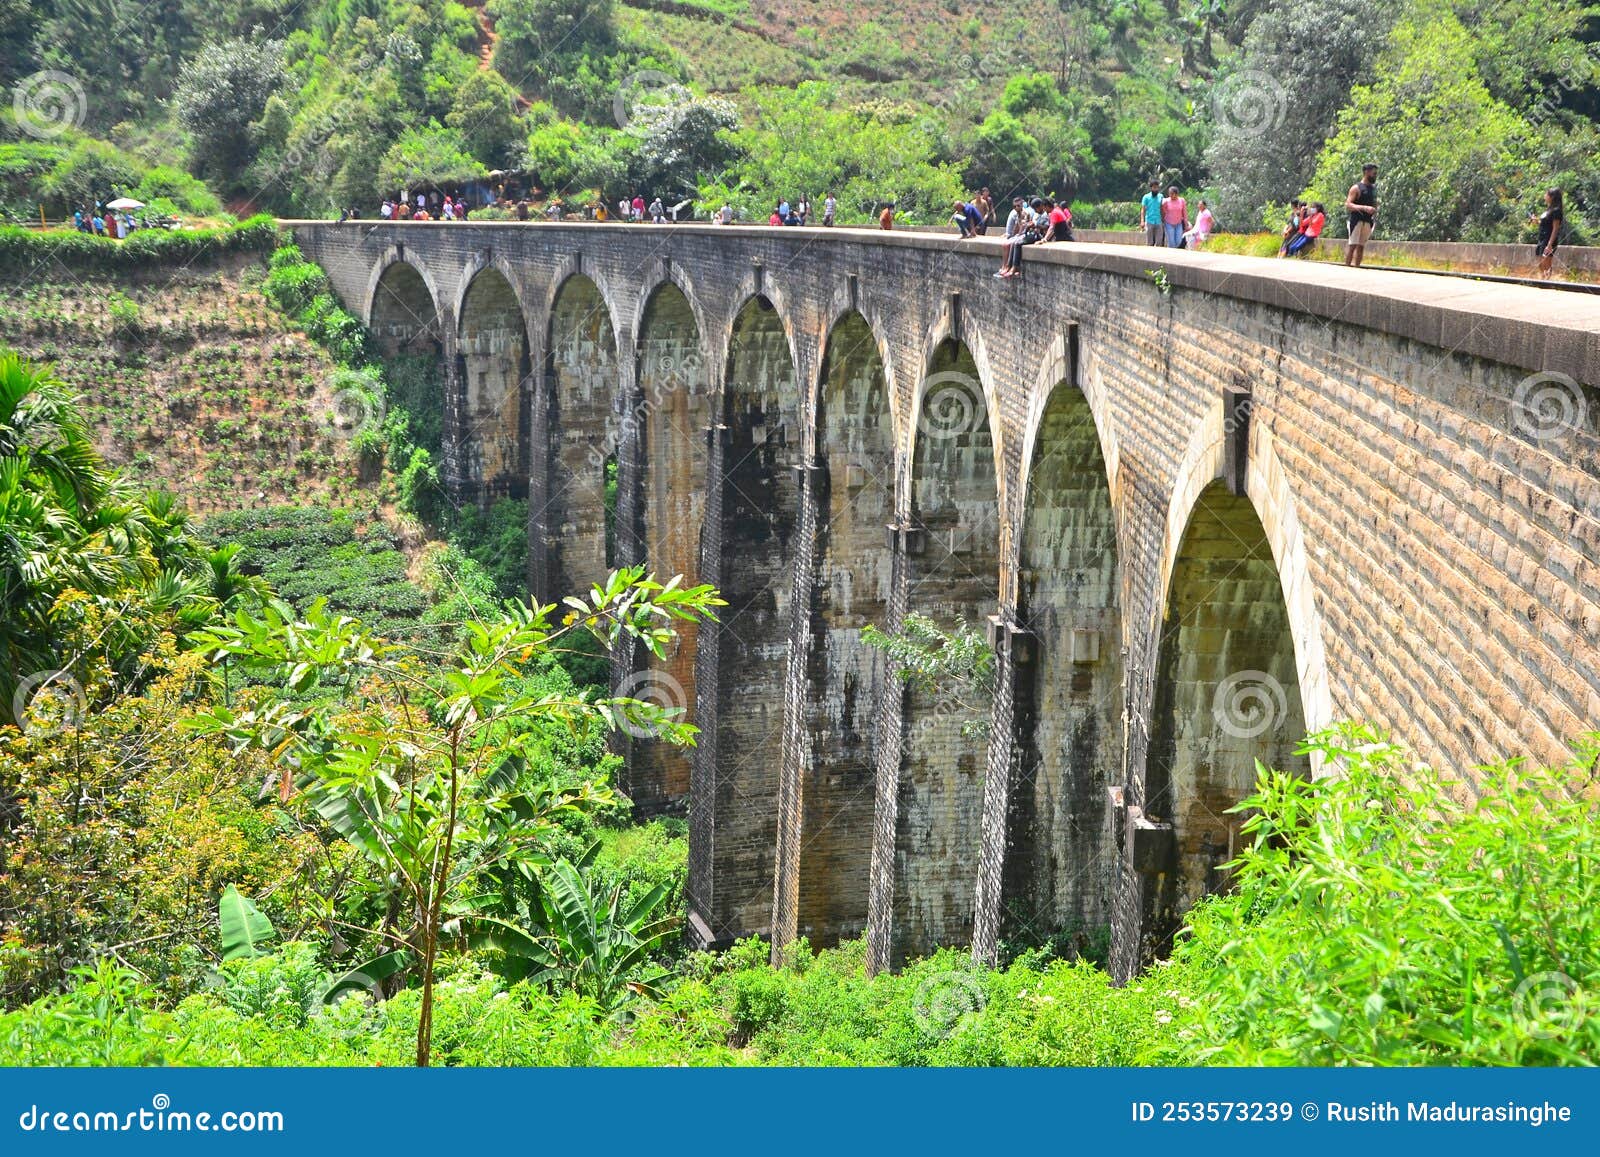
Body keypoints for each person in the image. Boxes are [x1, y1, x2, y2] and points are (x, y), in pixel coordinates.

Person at [1344, 163, 1378, 267]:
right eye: (1374, 173)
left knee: (1361, 246)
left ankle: (1357, 267)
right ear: (1366, 172)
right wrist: (1364, 208)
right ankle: (1347, 267)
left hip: (1368, 221)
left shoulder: (1373, 189)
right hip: (1356, 220)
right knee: (1352, 245)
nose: (1375, 176)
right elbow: (1348, 204)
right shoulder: (1356, 188)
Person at [1532, 187, 1564, 279]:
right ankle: (1543, 278)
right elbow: (1544, 224)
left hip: (1549, 239)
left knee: (1546, 261)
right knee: (1539, 260)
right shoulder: (1548, 210)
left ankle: (1547, 280)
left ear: (1552, 197)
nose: (1544, 196)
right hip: (1542, 238)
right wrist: (1536, 221)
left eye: (1546, 194)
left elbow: (1555, 228)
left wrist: (1549, 244)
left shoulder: (1556, 211)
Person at [995, 196, 1029, 278]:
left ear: (1022, 205)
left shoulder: (1025, 214)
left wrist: (1015, 235)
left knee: (1011, 243)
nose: (1016, 208)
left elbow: (1023, 229)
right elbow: (1016, 229)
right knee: (1005, 244)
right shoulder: (1017, 214)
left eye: (1018, 206)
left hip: (1024, 235)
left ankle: (1009, 267)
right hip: (1018, 235)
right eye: (1014, 206)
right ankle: (1004, 266)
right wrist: (1011, 235)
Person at [1139, 180, 1163, 245]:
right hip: (1149, 221)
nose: (1156, 189)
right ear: (1151, 188)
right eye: (1154, 187)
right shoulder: (1146, 197)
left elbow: (1161, 208)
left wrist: (1163, 220)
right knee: (1149, 242)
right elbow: (1143, 210)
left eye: (1157, 187)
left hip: (1158, 221)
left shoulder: (1161, 196)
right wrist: (1142, 221)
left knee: (1159, 241)